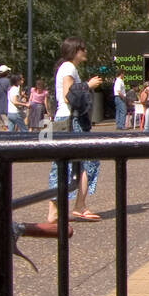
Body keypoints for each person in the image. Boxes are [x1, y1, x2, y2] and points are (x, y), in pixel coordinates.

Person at [46, 37, 103, 223]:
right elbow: (68, 95)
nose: (85, 51)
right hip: (72, 120)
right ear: (75, 50)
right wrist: (88, 85)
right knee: (86, 161)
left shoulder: (66, 67)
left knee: (64, 164)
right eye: (83, 48)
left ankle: (58, 210)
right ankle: (78, 206)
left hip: (64, 119)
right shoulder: (69, 68)